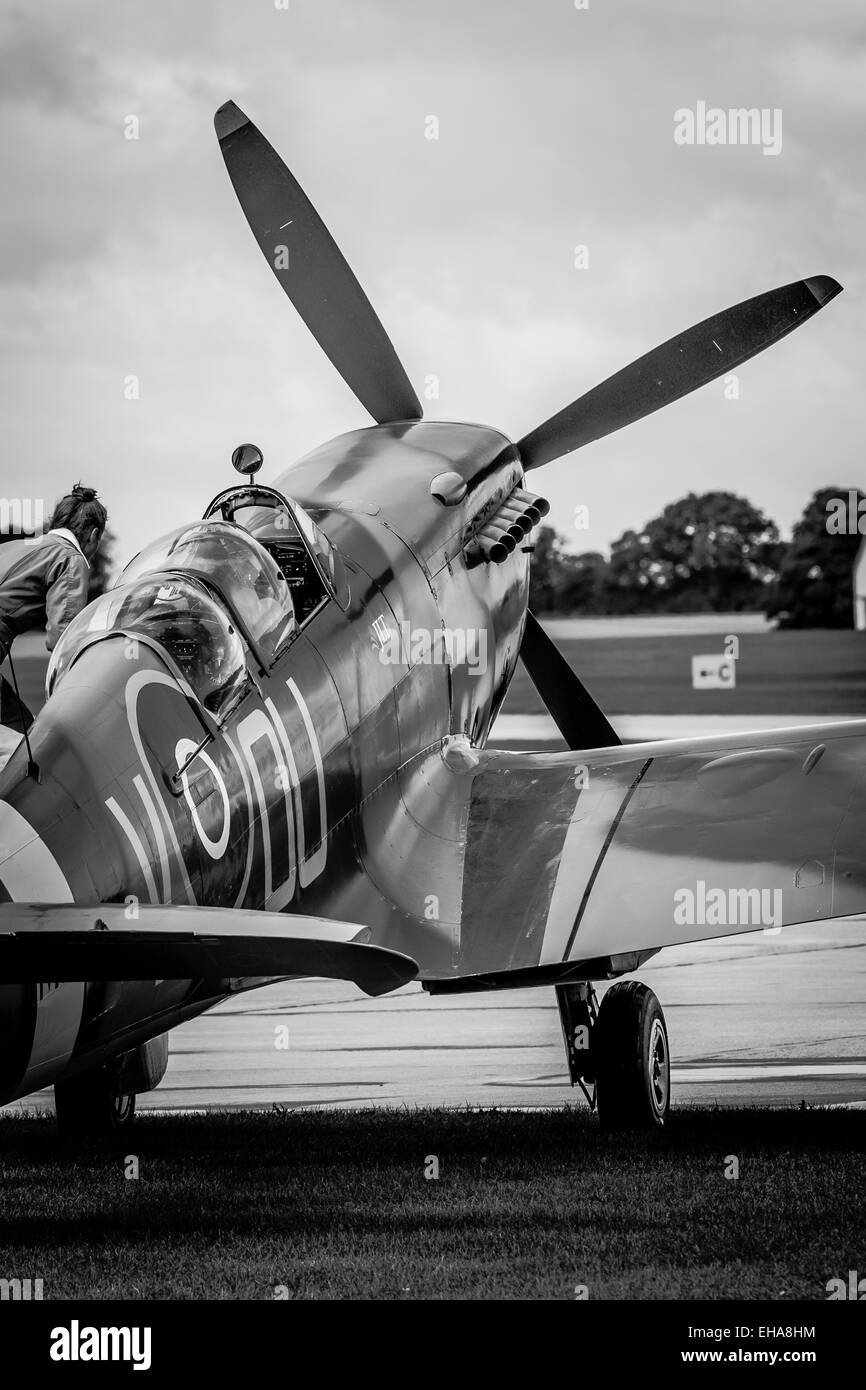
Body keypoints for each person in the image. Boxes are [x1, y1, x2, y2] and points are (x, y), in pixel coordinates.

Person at [0, 483, 108, 735]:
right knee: (23, 744)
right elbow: (62, 639)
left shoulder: (14, 546)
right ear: (93, 535)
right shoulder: (70, 559)